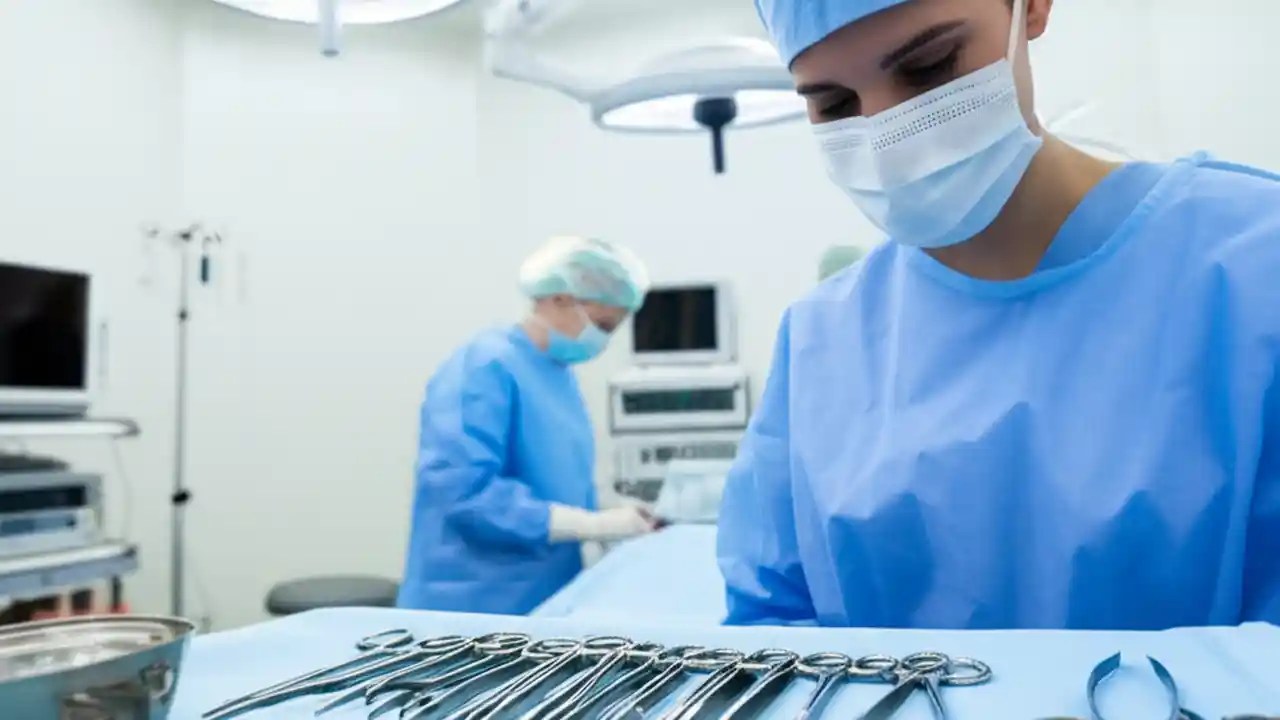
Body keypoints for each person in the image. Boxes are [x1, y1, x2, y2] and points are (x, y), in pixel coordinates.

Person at [718, 0, 1280, 629]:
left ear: (1031, 9)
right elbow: (773, 630)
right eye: (834, 104)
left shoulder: (1257, 266)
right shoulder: (821, 339)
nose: (886, 133)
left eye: (930, 67)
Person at [398, 237, 658, 615]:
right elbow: (461, 492)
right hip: (473, 604)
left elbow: (555, 481)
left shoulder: (557, 374)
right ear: (559, 299)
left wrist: (608, 516)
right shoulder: (485, 366)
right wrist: (592, 525)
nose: (602, 340)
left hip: (543, 595)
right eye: (601, 325)